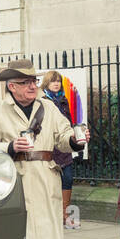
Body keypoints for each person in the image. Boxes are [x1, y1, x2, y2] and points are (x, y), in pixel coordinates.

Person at [0, 59, 89, 239]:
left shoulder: (48, 107)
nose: (32, 86)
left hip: (46, 179)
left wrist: (76, 141)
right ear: (12, 86)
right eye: (25, 82)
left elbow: (63, 136)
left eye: (33, 81)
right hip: (16, 182)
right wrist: (9, 147)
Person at [41, 70, 76, 227]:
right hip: (51, 147)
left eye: (58, 81)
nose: (56, 84)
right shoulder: (42, 101)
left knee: (67, 178)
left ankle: (65, 214)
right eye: (52, 81)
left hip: (64, 146)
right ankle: (52, 215)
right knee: (51, 182)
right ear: (46, 84)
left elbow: (68, 121)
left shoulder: (63, 100)